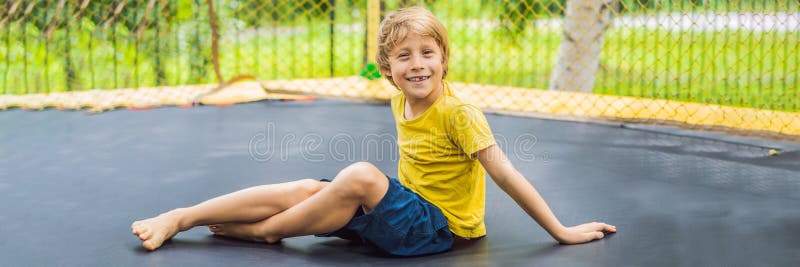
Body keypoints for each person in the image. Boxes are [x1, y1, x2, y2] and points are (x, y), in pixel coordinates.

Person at [131, 6, 616, 256]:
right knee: (307, 187)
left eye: (428, 53)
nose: (418, 65)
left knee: (361, 175)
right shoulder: (397, 99)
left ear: (445, 59)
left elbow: (506, 175)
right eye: (404, 56)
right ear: (387, 69)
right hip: (406, 212)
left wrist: (562, 231)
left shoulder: (459, 113)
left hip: (441, 231)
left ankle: (266, 232)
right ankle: (183, 216)